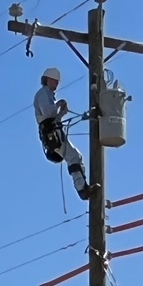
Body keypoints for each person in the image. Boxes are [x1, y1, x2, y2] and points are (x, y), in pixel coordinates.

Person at [33, 65, 91, 200]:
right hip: (51, 132)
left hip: (54, 130)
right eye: (55, 81)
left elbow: (53, 116)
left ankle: (84, 185)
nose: (56, 84)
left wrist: (62, 112)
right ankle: (82, 189)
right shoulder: (42, 93)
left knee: (77, 157)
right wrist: (58, 104)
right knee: (73, 158)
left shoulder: (48, 95)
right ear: (48, 80)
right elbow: (47, 112)